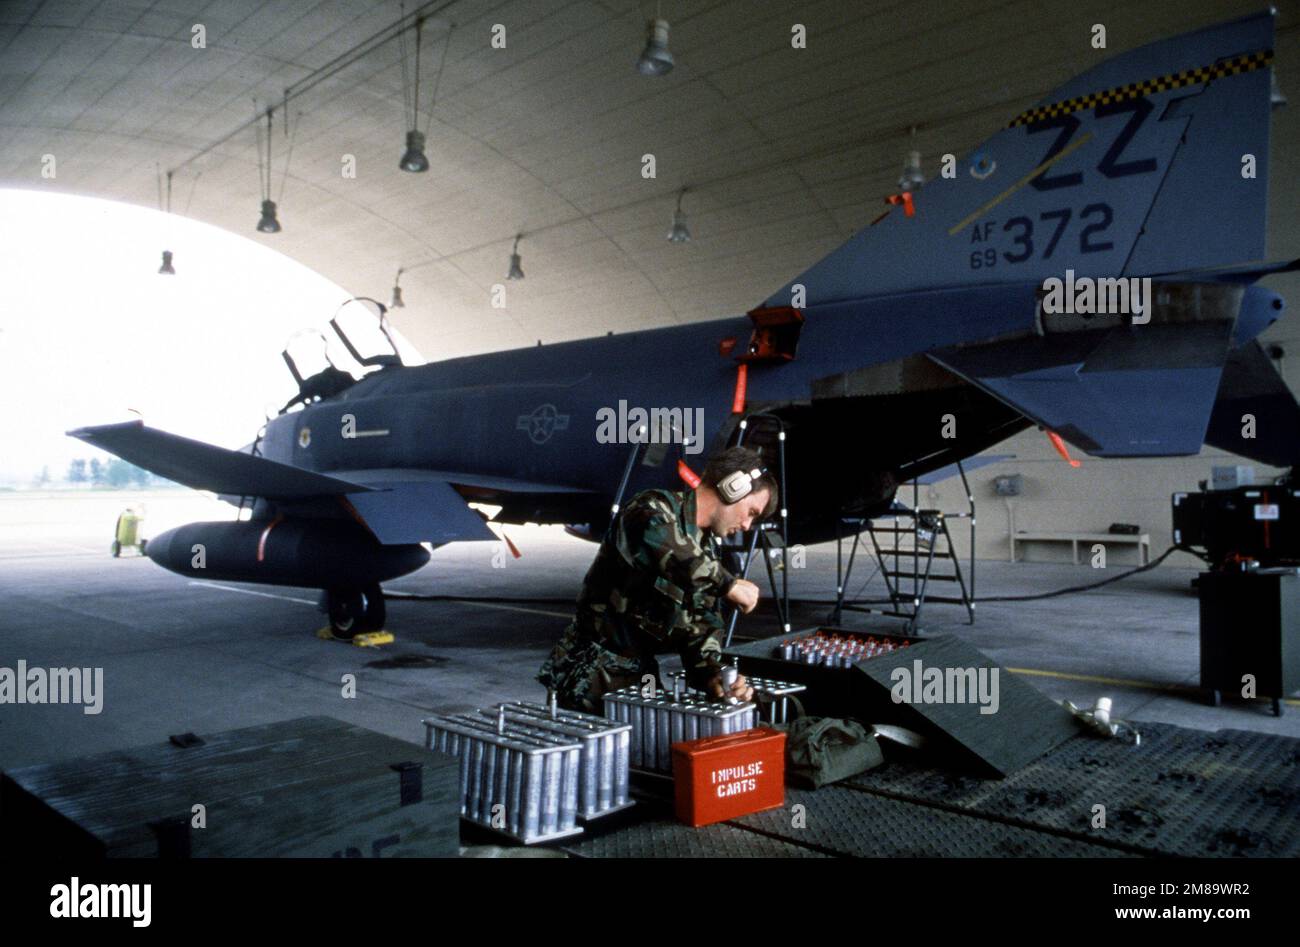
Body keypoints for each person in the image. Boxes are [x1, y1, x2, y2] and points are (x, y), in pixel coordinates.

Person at [538, 446, 778, 713]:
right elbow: (673, 551)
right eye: (752, 513)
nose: (746, 526)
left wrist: (715, 675)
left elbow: (700, 626)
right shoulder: (649, 508)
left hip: (639, 673)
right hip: (589, 671)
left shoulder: (707, 551)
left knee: (655, 747)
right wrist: (728, 584)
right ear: (734, 486)